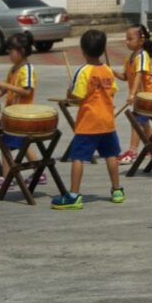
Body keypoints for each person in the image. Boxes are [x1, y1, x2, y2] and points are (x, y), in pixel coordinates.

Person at [54, 29, 125, 210]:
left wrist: (69, 95)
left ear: (83, 50)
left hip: (89, 123)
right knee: (110, 155)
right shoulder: (108, 70)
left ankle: (74, 195)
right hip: (107, 121)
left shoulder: (83, 71)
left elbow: (76, 97)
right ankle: (117, 190)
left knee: (78, 157)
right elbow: (112, 91)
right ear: (102, 50)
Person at [0, 32, 37, 195]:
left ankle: (6, 178)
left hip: (21, 114)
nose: (9, 54)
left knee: (6, 146)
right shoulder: (14, 68)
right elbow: (6, 88)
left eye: (11, 50)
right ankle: (39, 171)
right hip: (12, 113)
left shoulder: (27, 69)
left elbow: (26, 91)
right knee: (23, 144)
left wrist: (7, 86)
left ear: (21, 51)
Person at [120, 22, 152, 164]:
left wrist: (131, 94)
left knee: (137, 122)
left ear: (141, 40)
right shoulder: (130, 57)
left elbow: (139, 75)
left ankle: (132, 151)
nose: (127, 41)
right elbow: (125, 77)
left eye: (130, 39)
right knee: (144, 123)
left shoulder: (142, 56)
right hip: (138, 98)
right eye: (126, 38)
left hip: (145, 97)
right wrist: (111, 71)